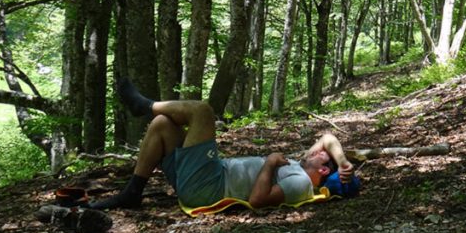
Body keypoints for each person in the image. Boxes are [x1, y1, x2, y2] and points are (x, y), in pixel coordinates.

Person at [91, 79, 354, 210]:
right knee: (162, 124)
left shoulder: (301, 183)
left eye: (322, 157)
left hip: (208, 186)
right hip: (208, 175)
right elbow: (328, 138)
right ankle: (132, 193)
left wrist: (270, 163)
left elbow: (258, 200)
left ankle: (143, 106)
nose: (318, 150)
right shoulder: (300, 164)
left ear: (322, 171)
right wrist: (342, 162)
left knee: (203, 112)